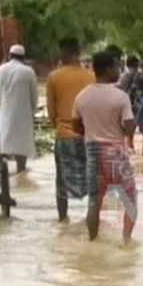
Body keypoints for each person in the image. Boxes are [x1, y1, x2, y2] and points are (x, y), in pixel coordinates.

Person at [73, 51, 137, 244]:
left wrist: (92, 131)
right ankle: (126, 240)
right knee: (130, 199)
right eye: (117, 66)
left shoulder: (82, 96)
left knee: (94, 202)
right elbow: (128, 129)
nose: (119, 70)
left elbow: (75, 125)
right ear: (109, 68)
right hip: (115, 151)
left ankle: (92, 242)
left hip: (92, 151)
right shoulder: (121, 97)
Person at [46, 38, 94, 221]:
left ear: (65, 52)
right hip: (88, 134)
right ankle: (93, 218)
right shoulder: (90, 76)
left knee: (62, 180)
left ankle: (63, 220)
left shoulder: (54, 77)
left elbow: (52, 112)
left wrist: (58, 125)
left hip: (65, 135)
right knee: (92, 176)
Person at [0, 44, 38, 174]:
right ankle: (21, 171)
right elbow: (34, 97)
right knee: (22, 146)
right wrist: (33, 109)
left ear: (9, 55)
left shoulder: (0, 70)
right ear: (23, 58)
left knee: (3, 144)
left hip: (4, 113)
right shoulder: (28, 72)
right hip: (22, 115)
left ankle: (2, 174)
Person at [117, 56, 143, 151]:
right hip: (140, 104)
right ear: (136, 64)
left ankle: (130, 146)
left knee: (129, 127)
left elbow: (120, 89)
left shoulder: (124, 76)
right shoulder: (142, 76)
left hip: (127, 104)